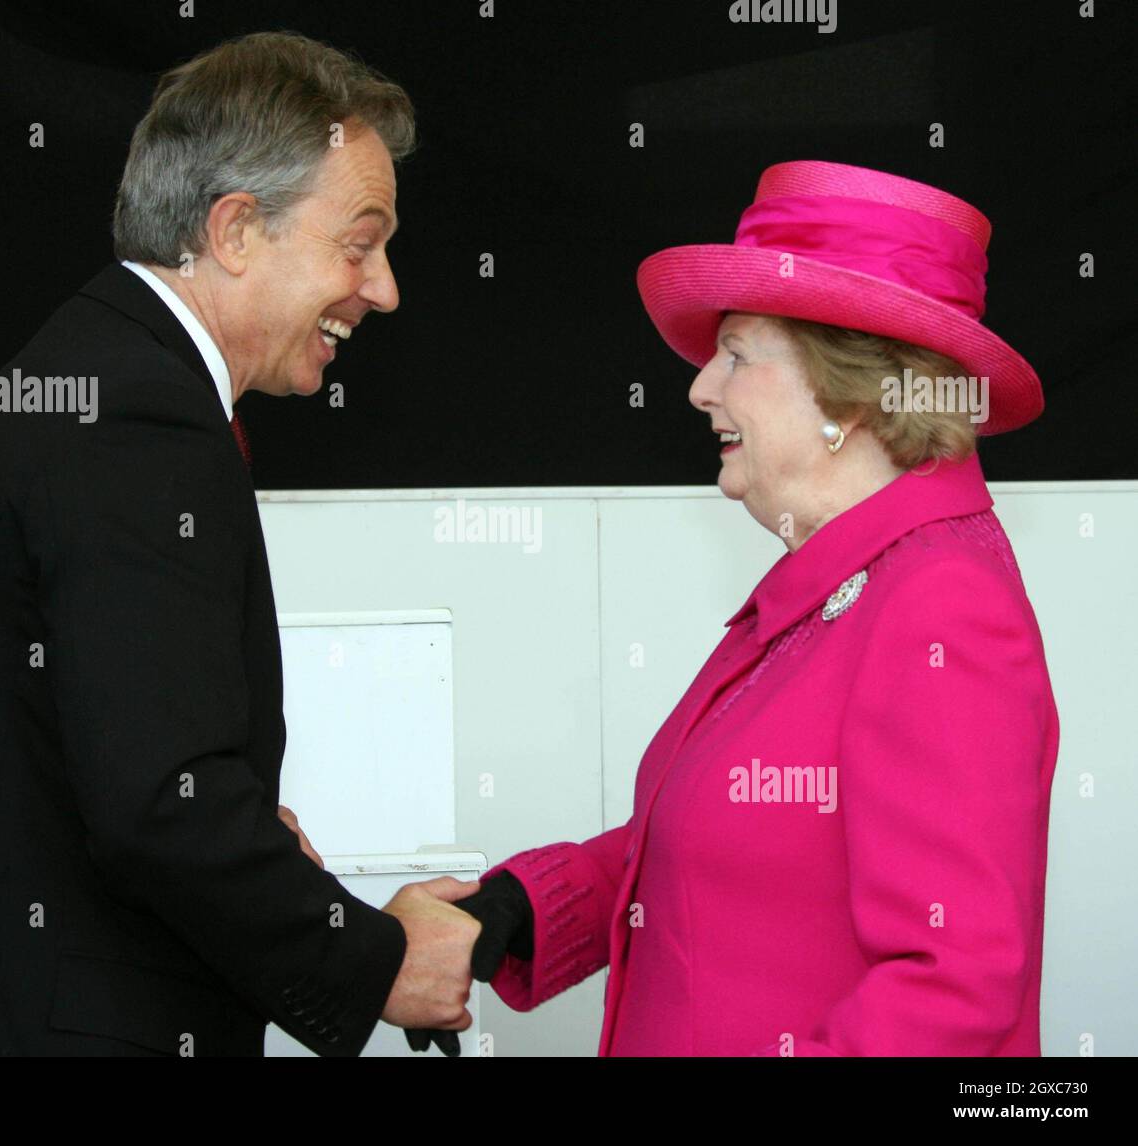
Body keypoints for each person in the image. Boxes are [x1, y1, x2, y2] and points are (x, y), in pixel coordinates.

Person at [0, 30, 482, 1058]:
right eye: (359, 244)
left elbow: (109, 767)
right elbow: (159, 810)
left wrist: (243, 839)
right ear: (235, 230)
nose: (383, 289)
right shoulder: (139, 419)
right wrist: (374, 963)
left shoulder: (99, 376)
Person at [447, 160, 1059, 1056]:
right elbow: (736, 837)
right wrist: (527, 909)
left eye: (736, 354)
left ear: (847, 391)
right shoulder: (845, 586)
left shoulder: (941, 607)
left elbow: (951, 990)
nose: (701, 388)